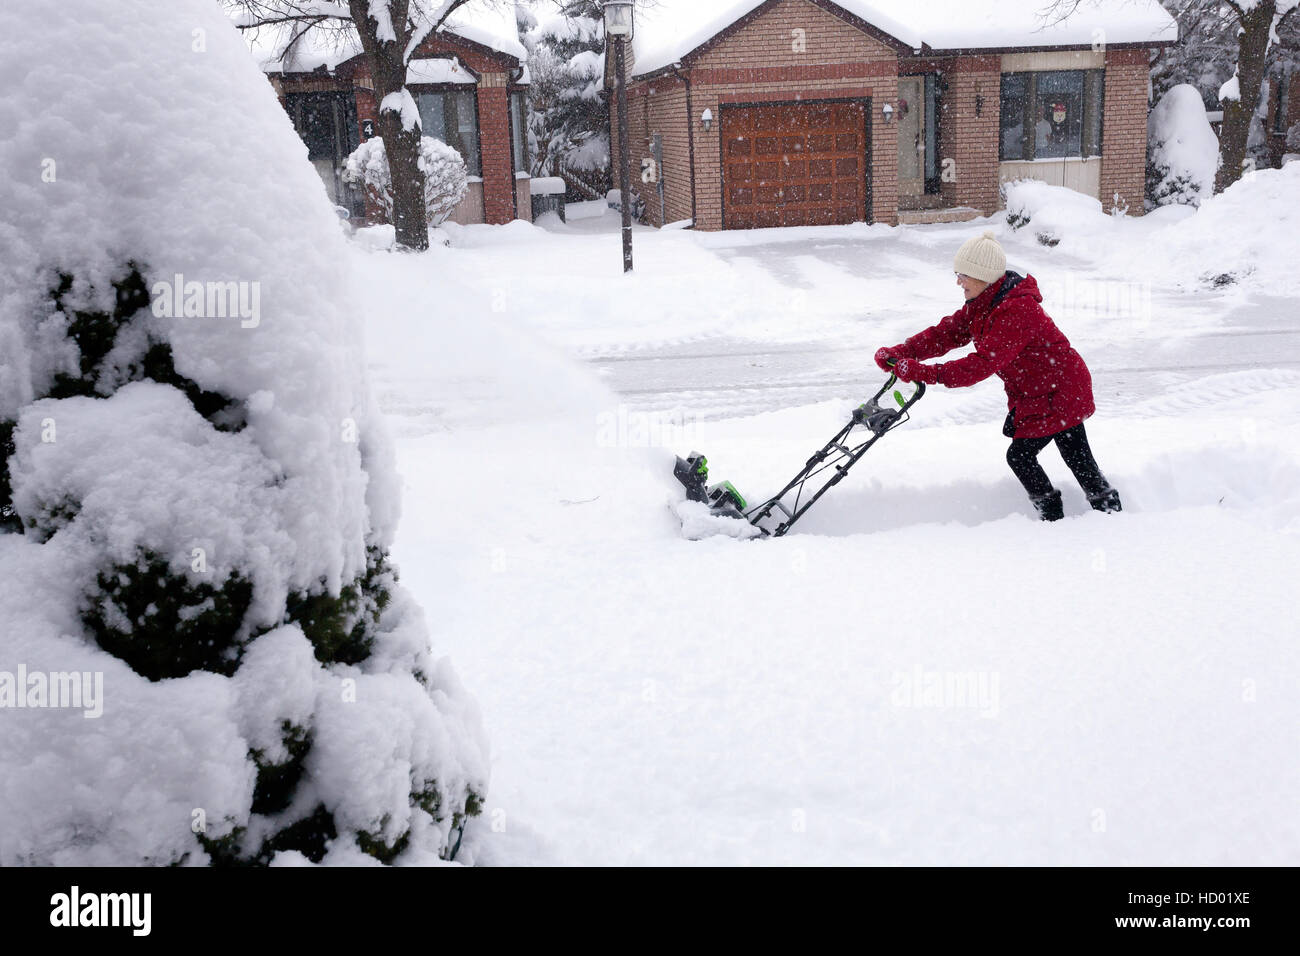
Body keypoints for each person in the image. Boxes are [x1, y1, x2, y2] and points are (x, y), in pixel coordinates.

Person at [874, 230, 1122, 521]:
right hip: (1042, 389)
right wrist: (904, 352)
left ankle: (1056, 519)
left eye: (963, 274)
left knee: (1025, 456)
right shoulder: (984, 304)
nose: (958, 281)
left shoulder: (1016, 310)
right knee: (1075, 455)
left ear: (984, 276)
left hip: (1060, 389)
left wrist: (920, 372)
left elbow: (978, 366)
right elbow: (946, 334)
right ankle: (1106, 514)